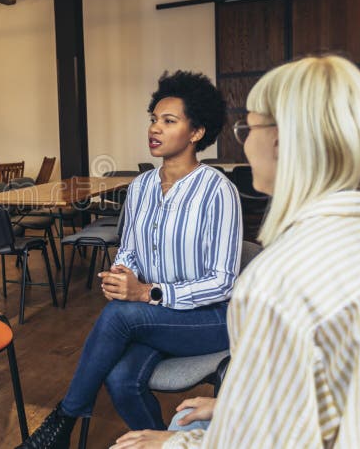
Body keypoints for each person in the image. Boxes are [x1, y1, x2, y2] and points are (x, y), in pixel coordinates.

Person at [113, 55, 360, 449]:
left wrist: (173, 444)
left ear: (281, 141)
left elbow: (275, 440)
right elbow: (334, 385)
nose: (243, 140)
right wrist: (231, 404)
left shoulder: (280, 278)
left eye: (246, 127)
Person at [18, 71, 242, 448]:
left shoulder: (218, 191)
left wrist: (147, 294)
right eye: (153, 119)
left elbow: (223, 281)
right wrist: (121, 274)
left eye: (169, 121)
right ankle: (164, 442)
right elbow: (130, 250)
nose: (154, 128)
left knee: (122, 315)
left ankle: (64, 420)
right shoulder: (140, 187)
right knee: (121, 380)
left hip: (211, 318)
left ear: (197, 132)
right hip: (156, 320)